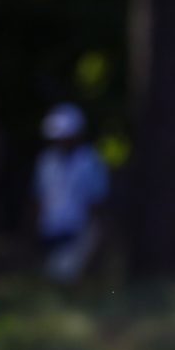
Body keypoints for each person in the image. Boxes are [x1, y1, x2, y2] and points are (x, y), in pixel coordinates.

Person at [33, 102, 109, 283]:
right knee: (54, 278)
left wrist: (94, 237)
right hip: (50, 231)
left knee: (68, 277)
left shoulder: (90, 162)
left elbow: (97, 200)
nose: (61, 140)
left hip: (78, 232)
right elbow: (39, 197)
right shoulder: (46, 161)